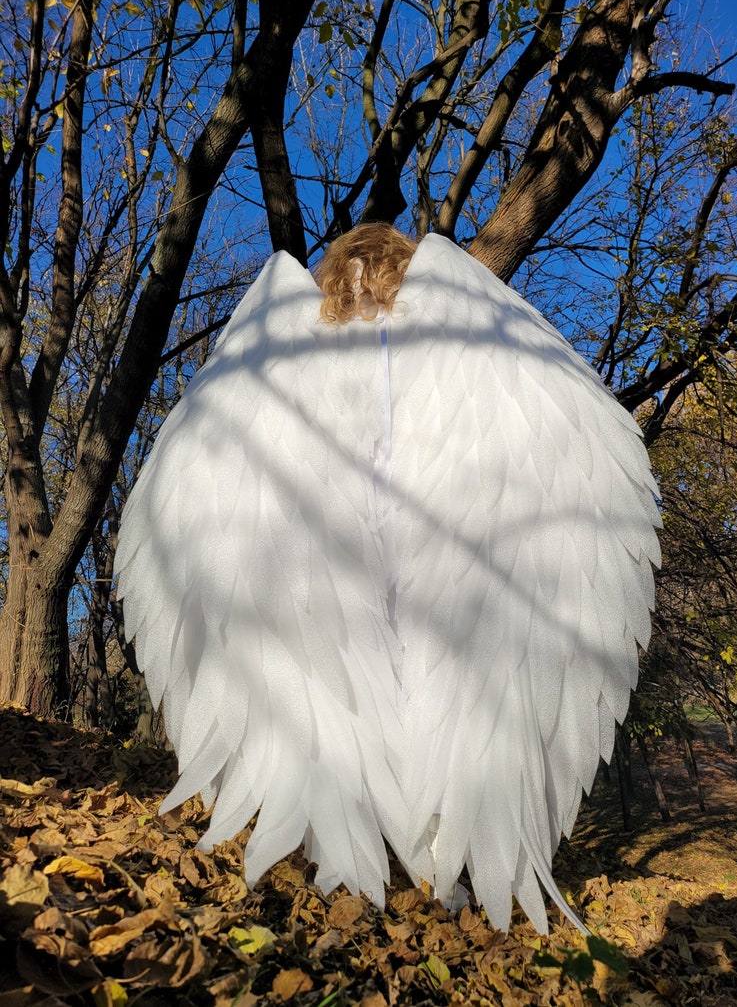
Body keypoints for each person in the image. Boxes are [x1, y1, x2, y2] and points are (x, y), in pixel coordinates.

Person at [116, 223, 660, 933]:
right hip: (409, 538)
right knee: (398, 671)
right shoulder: (449, 337)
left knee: (375, 671)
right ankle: (425, 844)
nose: (366, 281)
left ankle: (379, 837)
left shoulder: (298, 336)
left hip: (383, 539)